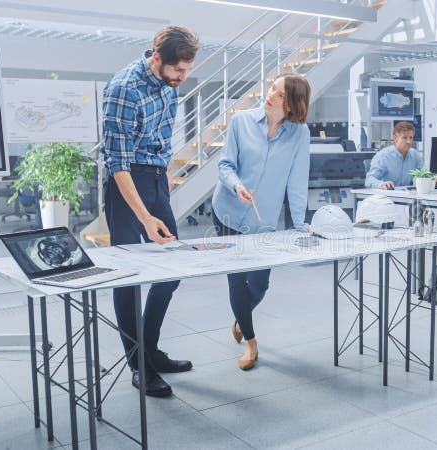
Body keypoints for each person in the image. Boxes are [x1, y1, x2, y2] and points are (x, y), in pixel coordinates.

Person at [101, 25, 199, 396]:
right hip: (125, 183)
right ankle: (138, 365)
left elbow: (163, 135)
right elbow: (117, 162)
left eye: (187, 70)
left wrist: (167, 174)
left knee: (171, 271)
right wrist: (145, 215)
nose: (182, 77)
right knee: (128, 276)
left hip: (156, 179)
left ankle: (150, 351)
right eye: (178, 70)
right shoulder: (123, 88)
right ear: (156, 58)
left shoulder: (170, 84)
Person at [211, 73, 311, 371]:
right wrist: (236, 185)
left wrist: (299, 223)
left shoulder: (299, 134)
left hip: (263, 219)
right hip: (227, 210)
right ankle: (251, 343)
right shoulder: (241, 121)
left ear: (292, 105)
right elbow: (225, 164)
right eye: (272, 88)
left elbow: (297, 180)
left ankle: (241, 317)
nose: (270, 96)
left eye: (279, 94)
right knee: (237, 279)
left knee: (260, 284)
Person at [365, 121, 437, 189]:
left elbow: (424, 174)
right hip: (386, 199)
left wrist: (435, 179)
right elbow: (369, 180)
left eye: (411, 138)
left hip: (409, 199)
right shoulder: (383, 157)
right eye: (404, 138)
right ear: (395, 138)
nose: (409, 141)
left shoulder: (416, 156)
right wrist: (382, 184)